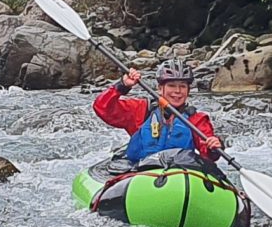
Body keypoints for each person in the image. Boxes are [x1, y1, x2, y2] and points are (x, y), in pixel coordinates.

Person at [91, 58, 223, 170]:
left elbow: (208, 154)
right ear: (160, 89)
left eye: (182, 86)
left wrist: (213, 147)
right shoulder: (141, 109)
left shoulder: (196, 120)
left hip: (178, 174)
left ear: (188, 90)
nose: (177, 91)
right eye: (171, 85)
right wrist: (123, 85)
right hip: (139, 172)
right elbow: (103, 108)